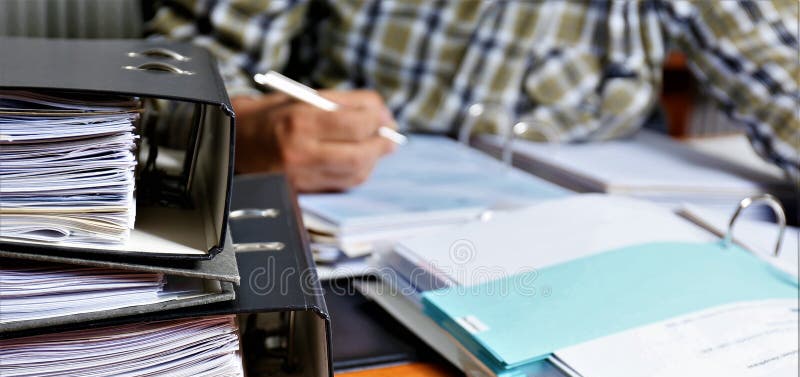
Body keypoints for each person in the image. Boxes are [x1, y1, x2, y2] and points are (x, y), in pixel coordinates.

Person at [148, 0, 799, 192]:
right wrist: (239, 135)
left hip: (584, 236)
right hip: (339, 229)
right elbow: (169, 80)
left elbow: (783, 78)